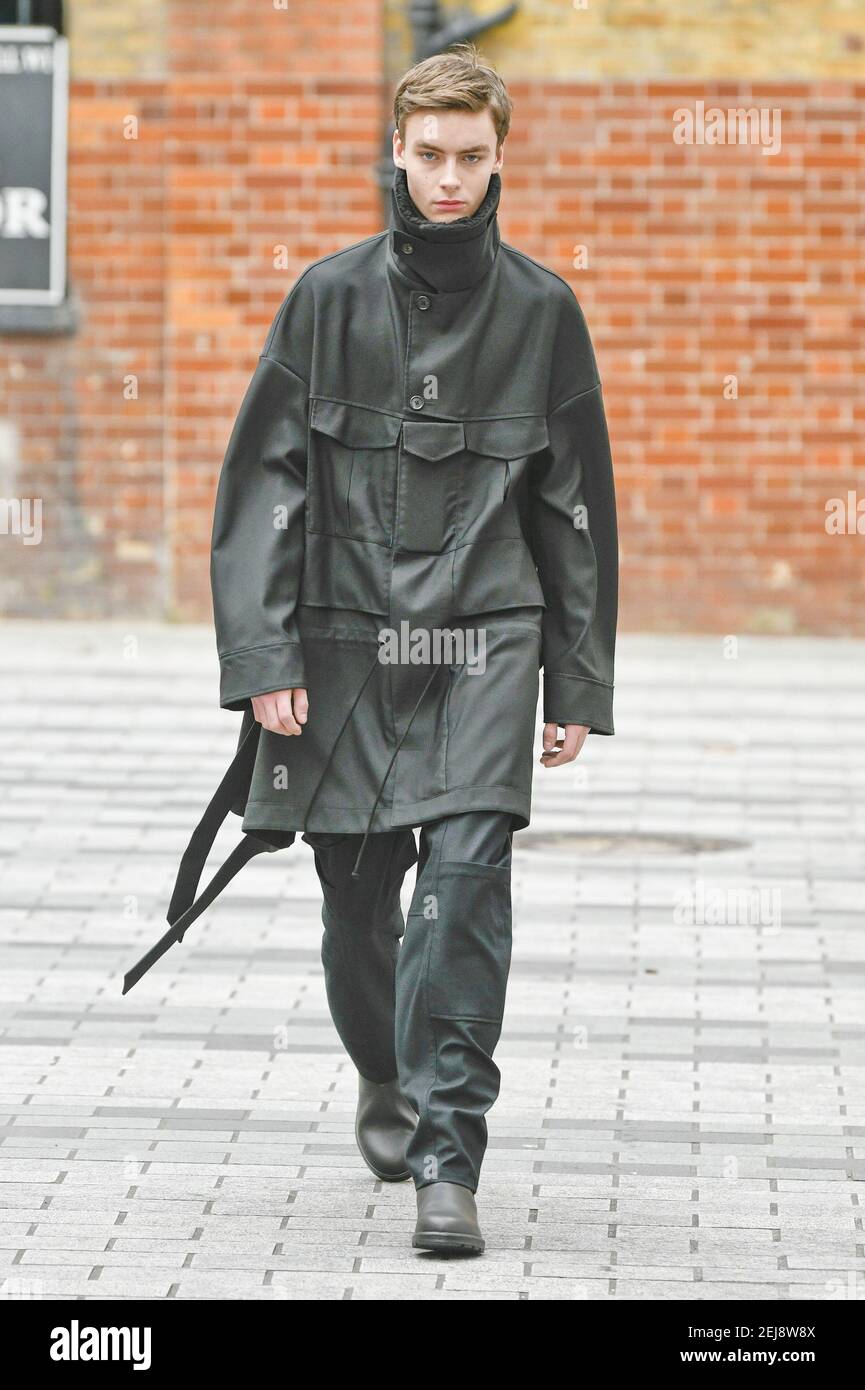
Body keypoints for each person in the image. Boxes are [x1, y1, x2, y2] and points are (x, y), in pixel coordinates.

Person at [126, 42, 618, 1257]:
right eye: (431, 156)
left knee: (462, 890)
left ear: (500, 158)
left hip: (485, 641)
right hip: (344, 643)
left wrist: (576, 677)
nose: (450, 179)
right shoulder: (325, 298)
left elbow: (571, 507)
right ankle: (386, 1077)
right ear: (398, 153)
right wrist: (265, 655)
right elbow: (262, 486)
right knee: (357, 903)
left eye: (472, 158)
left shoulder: (545, 313)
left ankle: (449, 1158)